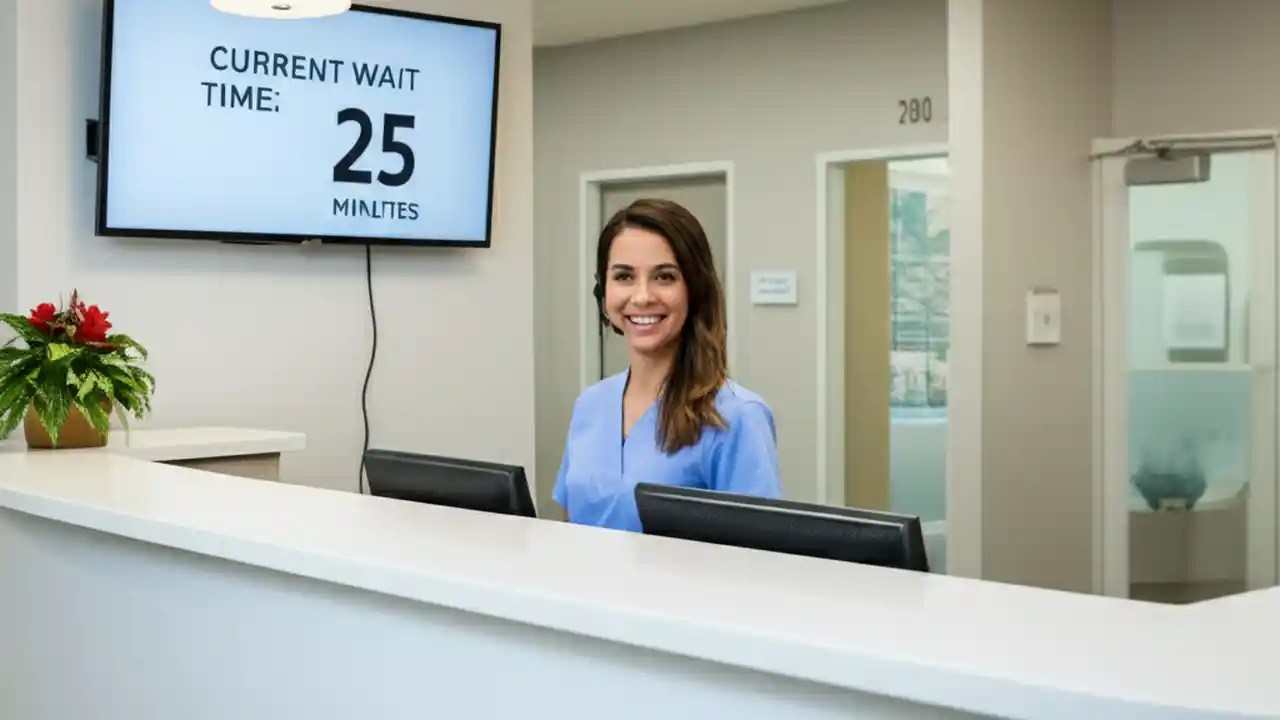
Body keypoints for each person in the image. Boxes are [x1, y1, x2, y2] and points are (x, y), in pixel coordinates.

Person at [553, 198, 783, 532]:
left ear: (695, 289)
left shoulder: (737, 416)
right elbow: (570, 523)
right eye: (624, 277)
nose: (642, 296)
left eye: (664, 277)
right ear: (603, 292)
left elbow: (759, 557)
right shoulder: (591, 404)